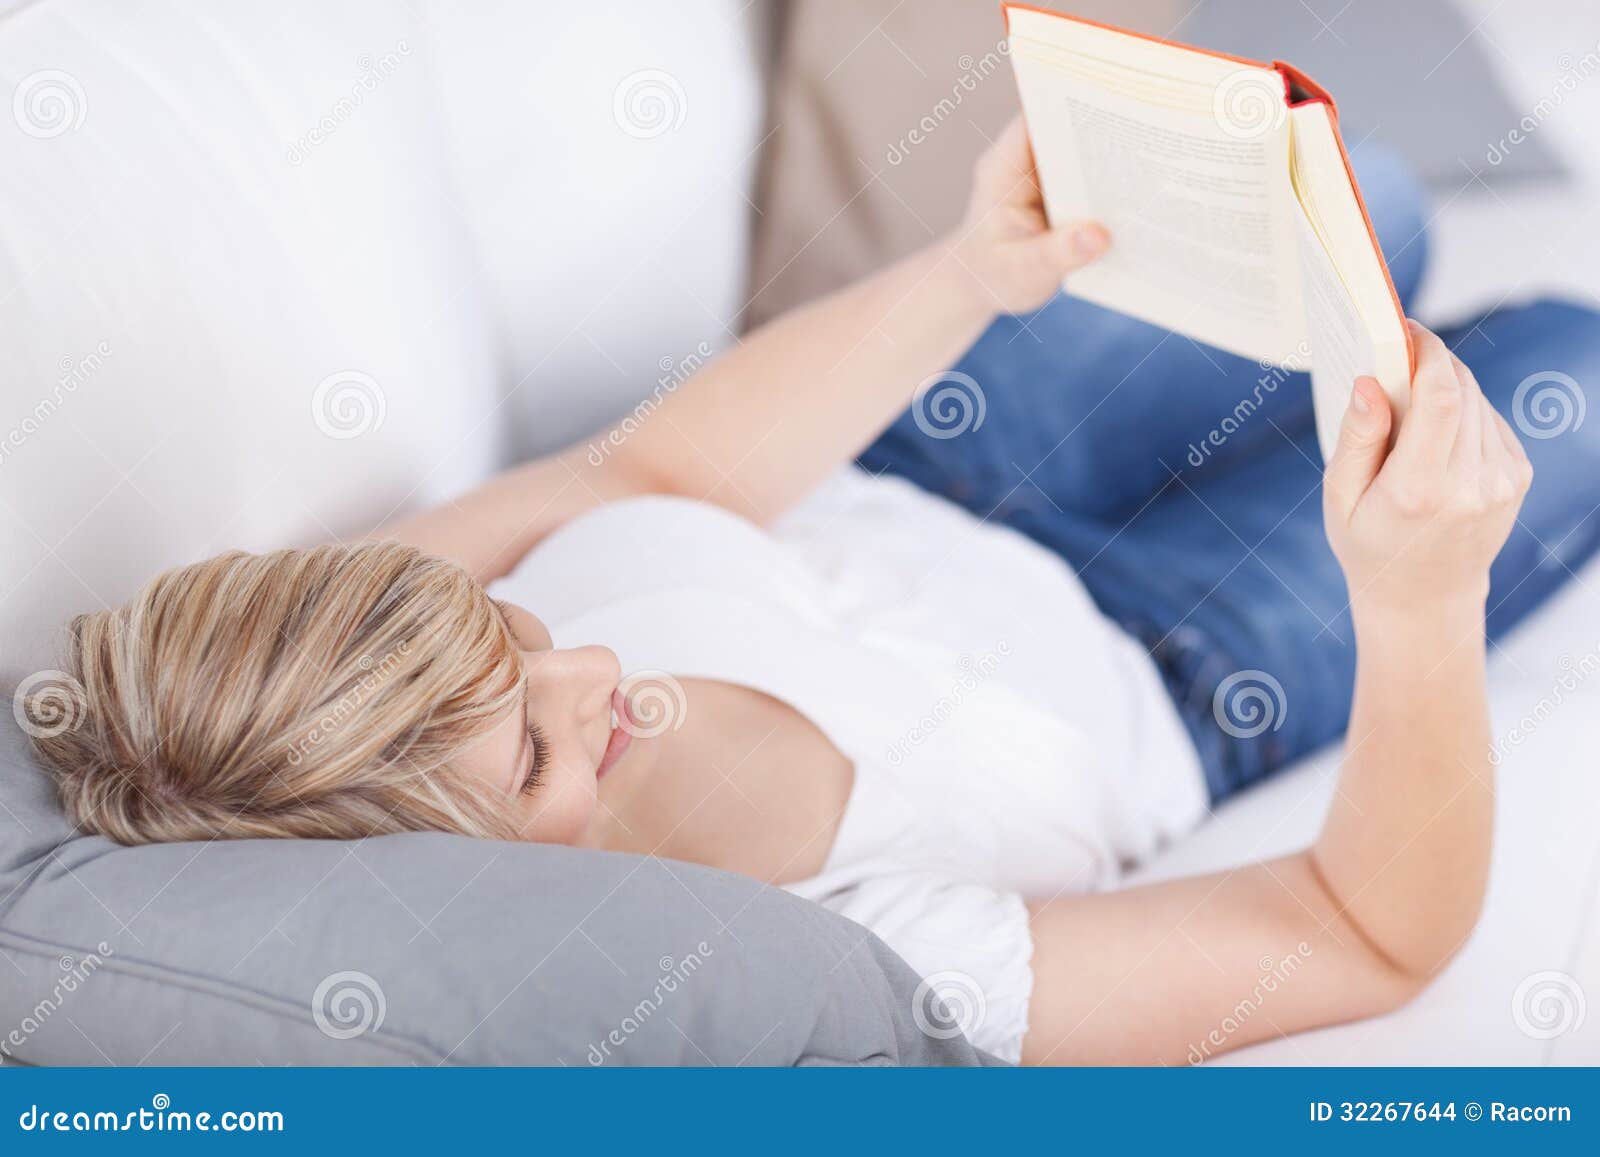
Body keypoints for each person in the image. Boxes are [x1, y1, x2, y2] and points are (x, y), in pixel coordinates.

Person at [27, 121, 1593, 1065]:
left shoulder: (388, 663)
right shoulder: (843, 954)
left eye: (524, 641)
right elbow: (1358, 933)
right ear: (463, 875)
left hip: (947, 461)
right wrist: (1416, 600)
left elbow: (637, 478)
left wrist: (973, 272)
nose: (598, 681)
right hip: (1181, 656)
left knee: (1360, 197)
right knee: (1570, 375)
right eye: (539, 758)